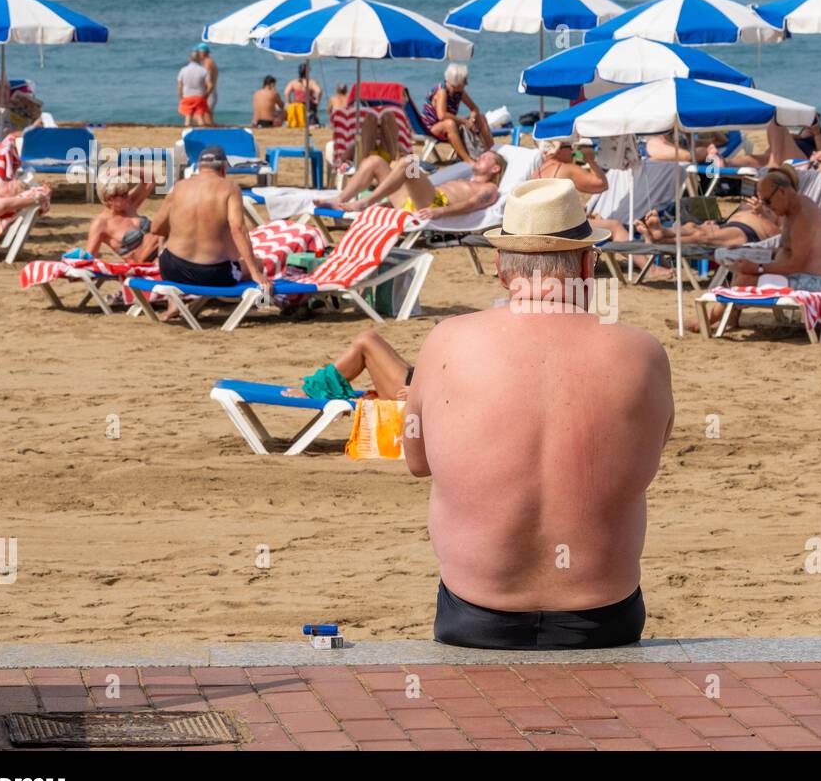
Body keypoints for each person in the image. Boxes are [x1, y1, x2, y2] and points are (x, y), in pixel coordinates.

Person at [403, 178, 674, 649]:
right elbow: (650, 450)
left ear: (501, 266)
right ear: (588, 263)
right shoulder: (642, 352)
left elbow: (417, 460)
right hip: (605, 616)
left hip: (476, 615)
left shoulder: (447, 341)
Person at [683, 166, 821, 334]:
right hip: (799, 274)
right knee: (742, 269)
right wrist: (750, 254)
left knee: (745, 278)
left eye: (767, 201)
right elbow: (787, 249)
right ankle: (729, 318)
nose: (766, 206)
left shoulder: (802, 216)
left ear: (782, 192)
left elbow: (796, 264)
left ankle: (711, 318)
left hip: (812, 283)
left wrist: (757, 268)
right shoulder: (793, 211)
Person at [147, 145, 271, 294]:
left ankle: (176, 303)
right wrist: (254, 271)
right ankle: (251, 304)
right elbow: (238, 229)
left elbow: (155, 228)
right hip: (213, 274)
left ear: (199, 167)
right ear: (224, 168)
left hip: (172, 270)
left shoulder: (179, 187)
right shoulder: (230, 188)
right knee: (258, 264)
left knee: (170, 244)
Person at [335, 151, 506, 221]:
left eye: (486, 157)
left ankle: (366, 202)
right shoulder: (466, 179)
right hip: (416, 200)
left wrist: (439, 211)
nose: (480, 156)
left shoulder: (490, 189)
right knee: (375, 161)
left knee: (409, 163)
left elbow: (471, 205)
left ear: (495, 168)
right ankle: (340, 198)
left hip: (435, 204)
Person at [283, 330, 413, 402]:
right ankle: (319, 385)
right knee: (369, 338)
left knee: (366, 341)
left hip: (413, 388)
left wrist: (419, 392)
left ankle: (315, 388)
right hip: (417, 381)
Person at [635, 189, 781, 247]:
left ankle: (657, 239)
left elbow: (779, 237)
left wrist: (762, 213)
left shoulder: (782, 211)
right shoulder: (757, 202)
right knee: (692, 226)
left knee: (702, 235)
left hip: (748, 234)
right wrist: (718, 222)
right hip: (729, 225)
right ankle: (662, 233)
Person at [86, 167, 162, 263]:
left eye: (126, 193)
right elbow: (88, 258)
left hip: (167, 248)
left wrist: (123, 169)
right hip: (149, 263)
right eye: (123, 195)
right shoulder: (101, 224)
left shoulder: (129, 203)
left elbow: (150, 178)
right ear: (109, 199)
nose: (127, 197)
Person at [420, 63, 492, 164]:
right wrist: (465, 122)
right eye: (464, 80)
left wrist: (473, 118)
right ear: (456, 81)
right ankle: (467, 159)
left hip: (446, 124)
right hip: (431, 128)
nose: (466, 83)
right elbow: (442, 115)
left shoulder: (459, 92)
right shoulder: (442, 91)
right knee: (450, 124)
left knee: (481, 117)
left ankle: (492, 151)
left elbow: (474, 108)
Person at [533, 138, 607, 195]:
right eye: (570, 147)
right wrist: (590, 160)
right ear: (558, 150)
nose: (572, 151)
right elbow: (601, 185)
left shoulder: (536, 173)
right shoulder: (567, 169)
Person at [177, 50, 212, 126]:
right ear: (199, 59)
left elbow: (180, 85)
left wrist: (181, 96)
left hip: (187, 96)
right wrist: (206, 95)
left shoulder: (183, 70)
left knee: (188, 117)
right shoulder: (203, 70)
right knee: (200, 117)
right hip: (199, 96)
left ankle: (187, 133)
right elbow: (210, 85)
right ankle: (202, 134)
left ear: (190, 59)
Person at [198, 43, 218, 125]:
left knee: (206, 116)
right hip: (212, 92)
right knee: (208, 115)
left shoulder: (207, 63)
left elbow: (208, 80)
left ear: (204, 52)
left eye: (199, 52)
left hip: (209, 92)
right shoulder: (210, 62)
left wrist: (205, 94)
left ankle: (211, 133)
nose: (198, 54)